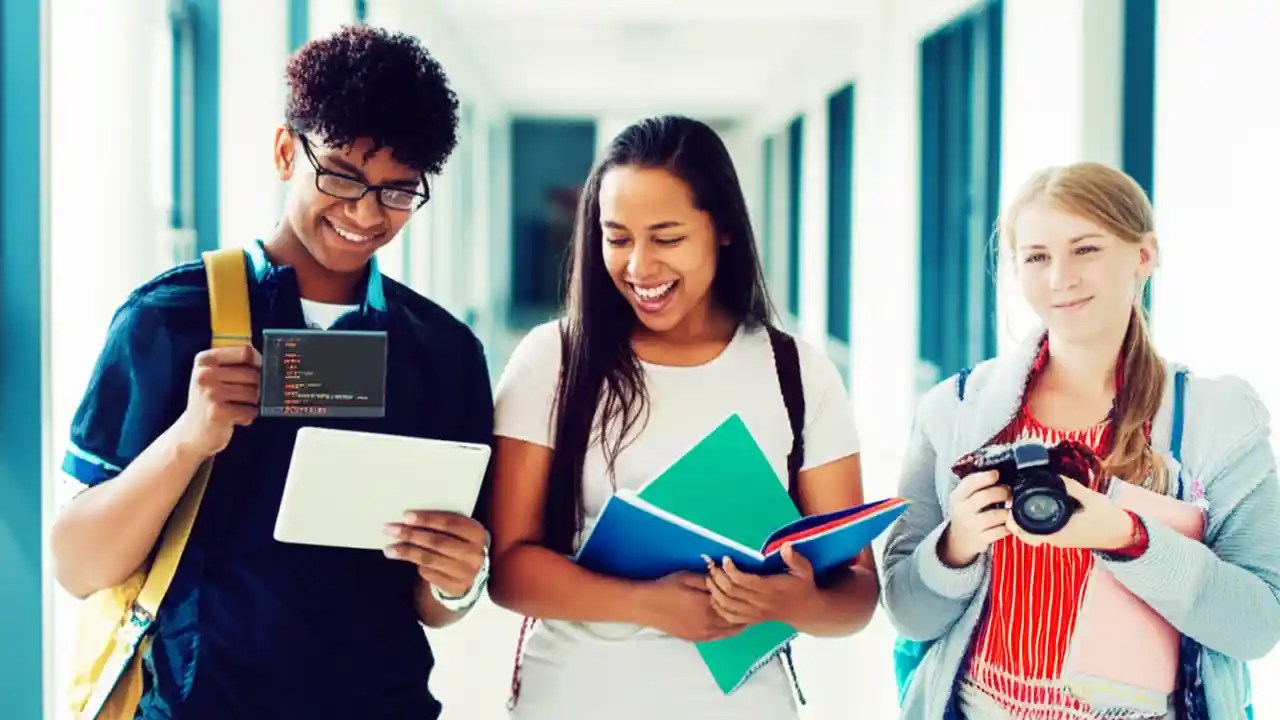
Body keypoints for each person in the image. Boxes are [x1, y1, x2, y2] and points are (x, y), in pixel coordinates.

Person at [50, 25, 493, 719]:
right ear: (286, 151)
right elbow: (77, 566)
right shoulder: (169, 321)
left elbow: (430, 603)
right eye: (342, 175)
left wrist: (459, 580)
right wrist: (187, 440)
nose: (365, 212)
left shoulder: (441, 353)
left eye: (398, 191)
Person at [486, 115, 879, 719]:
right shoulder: (552, 359)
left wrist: (790, 603)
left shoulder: (795, 371)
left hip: (743, 702)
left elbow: (856, 591)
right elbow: (510, 571)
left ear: (721, 228)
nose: (639, 267)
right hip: (575, 696)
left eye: (666, 238)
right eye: (617, 238)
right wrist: (650, 603)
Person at [882, 161, 1280, 719]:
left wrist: (1128, 538)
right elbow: (907, 614)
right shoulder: (955, 411)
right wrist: (957, 545)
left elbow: (1258, 625)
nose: (1059, 278)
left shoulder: (1219, 419)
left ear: (1144, 255)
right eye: (1037, 256)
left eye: (1086, 249)